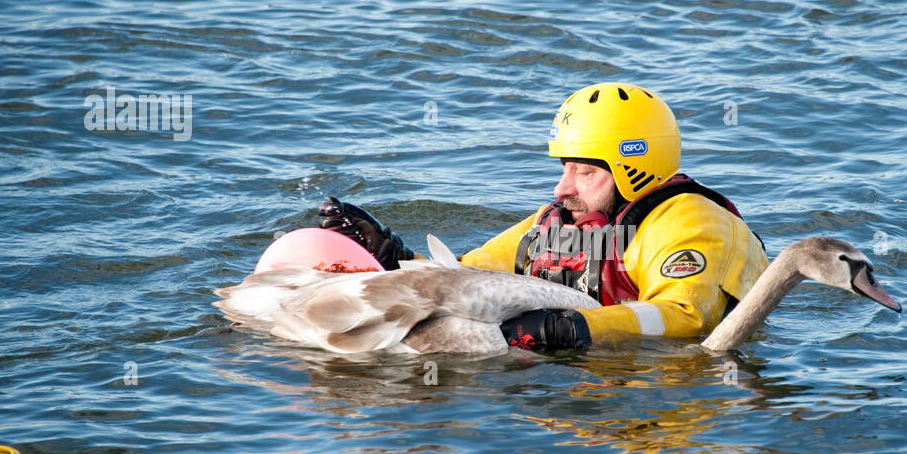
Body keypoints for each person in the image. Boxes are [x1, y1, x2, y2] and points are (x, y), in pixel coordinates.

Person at [317, 82, 769, 351]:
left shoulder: (694, 222)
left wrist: (569, 329)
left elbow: (689, 319)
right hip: (581, 362)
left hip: (664, 384)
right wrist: (391, 254)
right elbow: (474, 273)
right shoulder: (564, 218)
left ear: (636, 168)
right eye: (565, 168)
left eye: (585, 172)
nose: (561, 188)